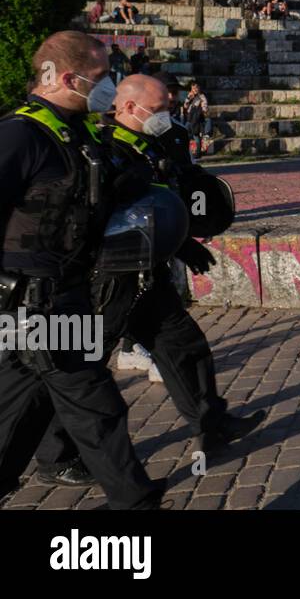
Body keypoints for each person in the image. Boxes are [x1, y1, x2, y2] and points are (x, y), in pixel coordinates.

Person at [32, 74, 263, 488]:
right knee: (78, 367)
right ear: (127, 108)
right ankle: (55, 456)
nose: (166, 116)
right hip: (106, 277)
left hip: (145, 269)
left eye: (168, 108)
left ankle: (211, 423)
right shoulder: (100, 147)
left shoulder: (152, 144)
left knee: (183, 343)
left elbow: (162, 201)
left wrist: (183, 244)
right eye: (158, 110)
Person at [0, 31, 162, 508]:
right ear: (68, 78)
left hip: (64, 293)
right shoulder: (19, 135)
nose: (110, 85)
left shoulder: (79, 133)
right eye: (101, 77)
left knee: (19, 410)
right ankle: (137, 503)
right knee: (97, 407)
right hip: (35, 303)